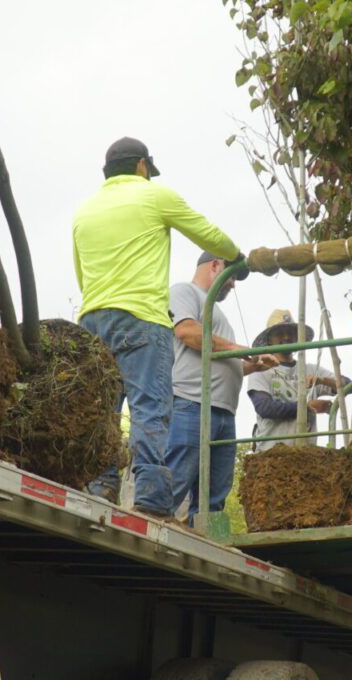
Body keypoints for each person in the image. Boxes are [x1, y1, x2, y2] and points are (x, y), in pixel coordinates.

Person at [72, 137, 242, 518]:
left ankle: (100, 485)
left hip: (93, 317)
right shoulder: (152, 195)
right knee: (149, 408)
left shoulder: (84, 211)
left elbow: (81, 272)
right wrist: (236, 257)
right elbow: (208, 235)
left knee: (103, 410)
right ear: (142, 166)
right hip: (141, 319)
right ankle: (150, 496)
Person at [167, 253, 279, 523]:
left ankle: (204, 545)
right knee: (176, 478)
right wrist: (236, 348)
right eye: (231, 277)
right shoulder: (184, 292)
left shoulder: (220, 316)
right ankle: (154, 530)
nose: (233, 285)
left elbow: (219, 361)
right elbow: (187, 332)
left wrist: (252, 366)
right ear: (215, 265)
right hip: (192, 403)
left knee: (214, 493)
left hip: (224, 412)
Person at [245, 308, 343, 441]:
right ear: (269, 340)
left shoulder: (310, 369)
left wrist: (322, 380)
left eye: (290, 332)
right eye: (280, 333)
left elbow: (346, 384)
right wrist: (307, 407)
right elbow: (265, 408)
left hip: (307, 452)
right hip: (272, 453)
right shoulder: (261, 369)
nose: (286, 337)